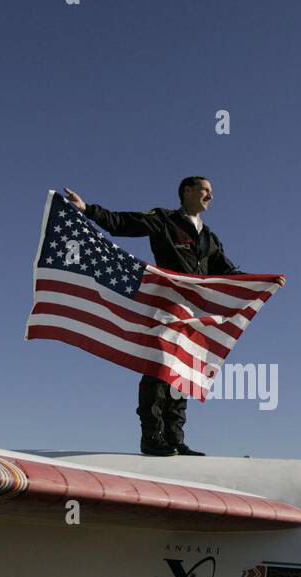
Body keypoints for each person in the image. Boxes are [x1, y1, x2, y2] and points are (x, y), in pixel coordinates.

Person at [62, 177, 244, 456]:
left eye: (212, 191)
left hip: (193, 314)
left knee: (182, 371)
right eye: (205, 190)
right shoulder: (164, 219)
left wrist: (260, 281)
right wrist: (87, 209)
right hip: (165, 307)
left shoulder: (209, 236)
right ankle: (152, 437)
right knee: (159, 371)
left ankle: (174, 438)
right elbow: (123, 223)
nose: (211, 195)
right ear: (187, 191)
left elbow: (228, 272)